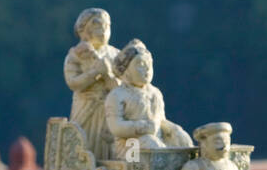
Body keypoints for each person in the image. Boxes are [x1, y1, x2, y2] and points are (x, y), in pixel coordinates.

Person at [103, 39, 191, 160]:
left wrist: (174, 129)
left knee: (180, 139)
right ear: (126, 70)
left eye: (149, 64)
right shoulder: (117, 95)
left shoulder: (155, 93)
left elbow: (160, 121)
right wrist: (142, 127)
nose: (147, 69)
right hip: (129, 148)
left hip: (156, 140)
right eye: (140, 64)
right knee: (150, 143)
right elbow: (115, 127)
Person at [63, 8, 120, 160]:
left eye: (106, 26)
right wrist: (94, 73)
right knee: (85, 144)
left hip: (110, 110)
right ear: (83, 29)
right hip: (86, 108)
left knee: (111, 149)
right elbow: (73, 83)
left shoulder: (116, 54)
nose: (103, 30)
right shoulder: (76, 55)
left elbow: (125, 83)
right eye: (97, 26)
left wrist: (112, 79)